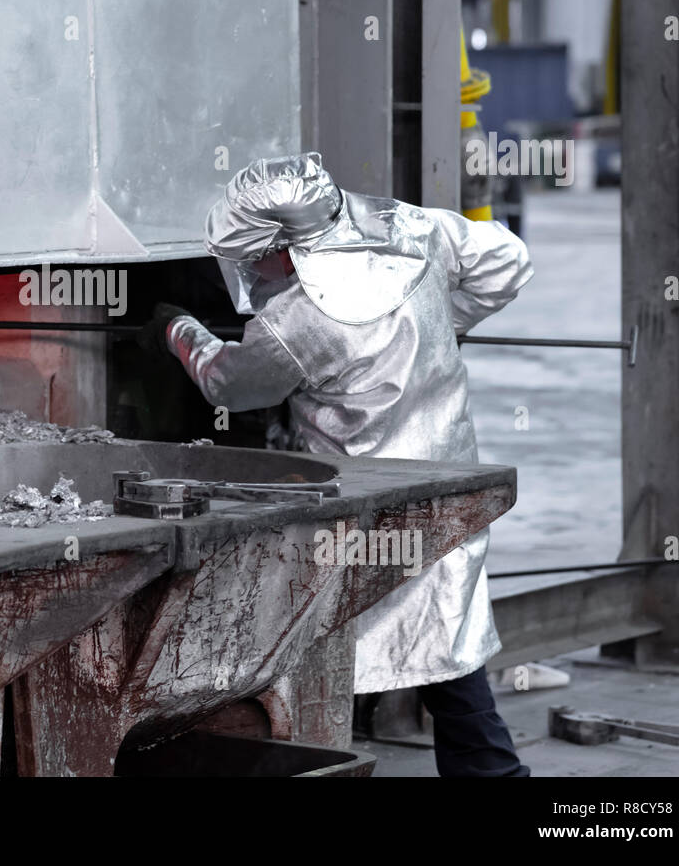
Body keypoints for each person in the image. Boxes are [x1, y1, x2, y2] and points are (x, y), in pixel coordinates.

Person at [141, 153, 533, 777]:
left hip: (355, 505)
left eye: (253, 258)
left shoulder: (301, 319)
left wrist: (179, 331)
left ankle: (303, 761)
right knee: (444, 642)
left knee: (314, 645)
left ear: (287, 250)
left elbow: (230, 386)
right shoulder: (407, 226)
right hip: (445, 477)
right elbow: (509, 262)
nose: (248, 270)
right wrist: (433, 329)